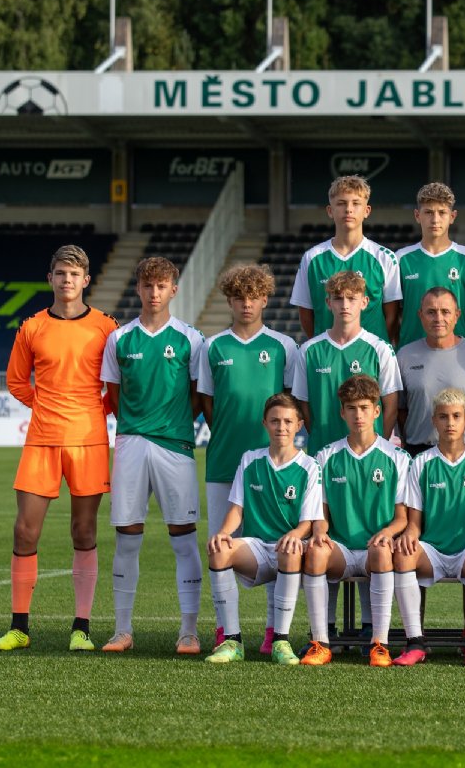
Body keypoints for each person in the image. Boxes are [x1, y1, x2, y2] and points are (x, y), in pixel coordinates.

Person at [0, 245, 118, 652]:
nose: (67, 280)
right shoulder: (31, 328)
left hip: (89, 440)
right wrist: (43, 405)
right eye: (60, 273)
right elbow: (15, 381)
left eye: (74, 274)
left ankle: (81, 627)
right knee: (24, 530)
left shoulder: (106, 327)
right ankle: (19, 628)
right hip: (42, 440)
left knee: (84, 530)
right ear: (51, 279)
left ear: (86, 280)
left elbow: (115, 387)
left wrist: (94, 409)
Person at [99, 257, 204, 655]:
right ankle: (122, 630)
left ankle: (189, 632)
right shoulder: (120, 339)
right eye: (147, 285)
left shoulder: (190, 339)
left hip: (175, 446)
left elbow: (197, 393)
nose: (154, 292)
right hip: (130, 444)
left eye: (161, 286)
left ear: (174, 290)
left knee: (183, 539)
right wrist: (137, 424)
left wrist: (173, 422)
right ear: (138, 289)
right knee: (127, 538)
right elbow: (113, 393)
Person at [197, 263, 297, 654]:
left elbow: (287, 404)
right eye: (239, 296)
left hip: (273, 466)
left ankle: (275, 632)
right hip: (223, 462)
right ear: (229, 300)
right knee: (222, 544)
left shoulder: (283, 347)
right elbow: (208, 403)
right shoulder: (213, 346)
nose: (246, 303)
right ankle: (228, 632)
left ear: (266, 299)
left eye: (254, 296)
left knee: (275, 544)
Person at [298, 375, 411, 667]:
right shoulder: (326, 456)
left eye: (364, 407)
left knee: (383, 549)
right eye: (351, 408)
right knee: (315, 550)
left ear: (377, 411)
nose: (358, 415)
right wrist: (320, 533)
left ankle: (380, 644)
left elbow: (402, 518)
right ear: (342, 412)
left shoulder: (396, 457)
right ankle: (321, 642)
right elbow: (320, 513)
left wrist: (387, 532)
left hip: (376, 548)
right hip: (342, 549)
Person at [205, 393, 322, 665]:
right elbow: (236, 509)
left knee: (291, 550)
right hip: (257, 547)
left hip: (291, 548)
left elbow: (309, 522)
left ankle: (281, 641)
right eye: (275, 421)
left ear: (299, 425)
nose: (281, 427)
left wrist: (295, 535)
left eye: (287, 421)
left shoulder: (309, 465)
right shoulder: (250, 460)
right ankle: (232, 641)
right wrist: (223, 533)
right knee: (219, 550)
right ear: (265, 424)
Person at [391, 388, 465, 666]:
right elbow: (413, 524)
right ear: (434, 421)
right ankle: (416, 642)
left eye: (456, 416)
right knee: (403, 553)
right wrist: (409, 536)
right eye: (443, 417)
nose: (450, 423)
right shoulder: (421, 463)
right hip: (433, 549)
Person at [292, 270, 401, 457]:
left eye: (351, 298)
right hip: (323, 452)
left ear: (364, 302)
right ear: (328, 303)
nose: (345, 305)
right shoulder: (308, 351)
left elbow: (390, 408)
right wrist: (322, 440)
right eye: (338, 298)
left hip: (369, 454)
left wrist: (376, 446)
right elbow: (304, 408)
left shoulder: (380, 349)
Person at [291, 174, 401, 344]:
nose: (348, 209)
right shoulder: (312, 258)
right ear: (330, 211)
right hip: (328, 357)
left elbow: (392, 316)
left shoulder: (384, 257)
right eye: (341, 203)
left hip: (370, 356)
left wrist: (373, 346)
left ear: (367, 211)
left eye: (356, 203)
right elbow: (306, 315)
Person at [396, 288, 465, 456]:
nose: (438, 318)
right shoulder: (404, 356)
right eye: (431, 312)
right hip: (419, 451)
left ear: (457, 315)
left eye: (445, 312)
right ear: (421, 315)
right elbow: (400, 408)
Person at [394, 182, 465, 349]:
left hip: (457, 357)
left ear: (452, 216)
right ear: (417, 215)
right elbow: (393, 316)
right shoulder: (400, 259)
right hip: (411, 355)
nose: (435, 219)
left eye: (442, 212)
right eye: (428, 212)